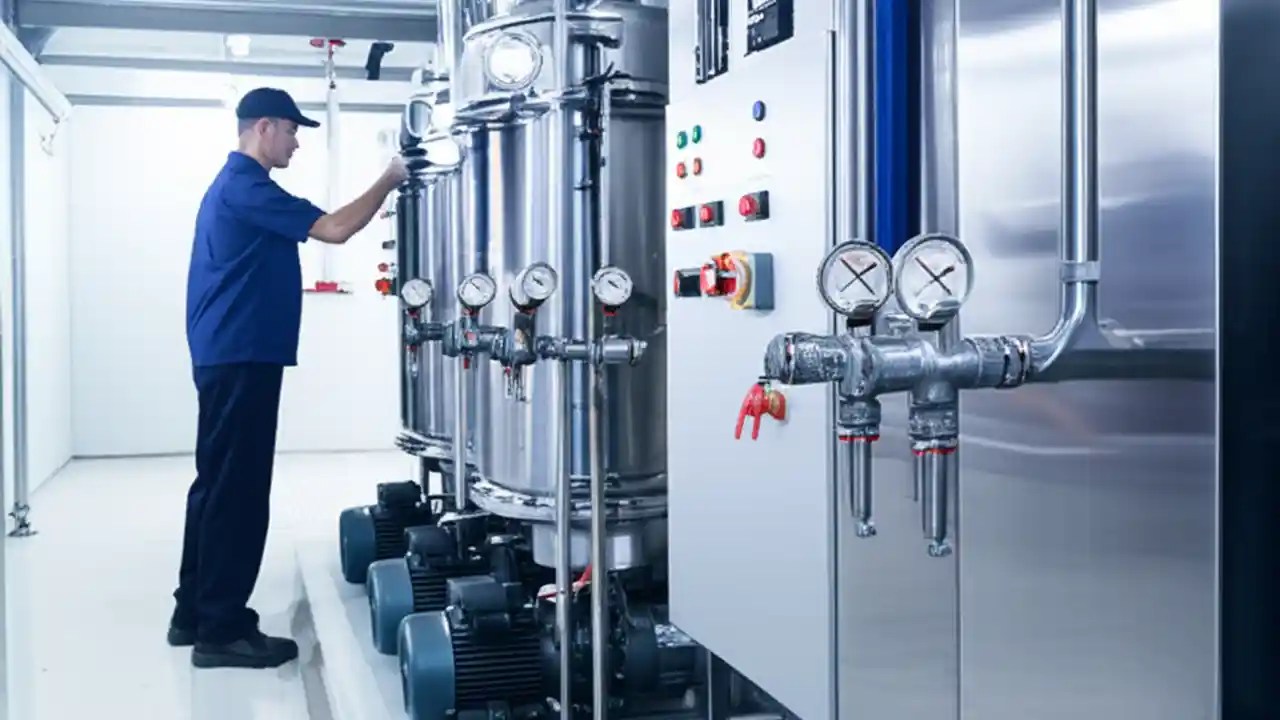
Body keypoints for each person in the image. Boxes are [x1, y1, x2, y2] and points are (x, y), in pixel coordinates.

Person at [169, 87, 409, 669]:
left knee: (215, 484)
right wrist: (390, 177)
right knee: (239, 492)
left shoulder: (236, 188)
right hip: (242, 355)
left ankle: (194, 612)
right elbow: (333, 230)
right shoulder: (247, 187)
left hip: (229, 353)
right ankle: (221, 630)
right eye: (293, 131)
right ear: (265, 128)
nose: (297, 142)